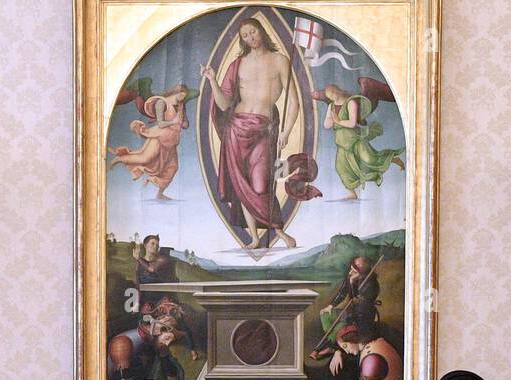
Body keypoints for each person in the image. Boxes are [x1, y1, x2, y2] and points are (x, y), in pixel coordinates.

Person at [202, 18, 300, 249]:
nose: (250, 38)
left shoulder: (280, 61)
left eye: (253, 32)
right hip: (236, 129)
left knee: (260, 185)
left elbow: (294, 102)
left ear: (262, 31)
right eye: (245, 35)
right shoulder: (238, 64)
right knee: (241, 185)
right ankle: (256, 237)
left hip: (263, 131)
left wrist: (286, 131)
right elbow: (225, 104)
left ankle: (279, 232)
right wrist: (213, 81)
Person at [315, 82, 405, 200]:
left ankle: (394, 159)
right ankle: (353, 193)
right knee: (340, 167)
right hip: (342, 142)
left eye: (332, 94)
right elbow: (326, 124)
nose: (332, 97)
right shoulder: (331, 106)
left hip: (355, 139)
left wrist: (338, 121)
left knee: (369, 159)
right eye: (329, 97)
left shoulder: (351, 102)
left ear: (337, 90)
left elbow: (352, 123)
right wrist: (330, 120)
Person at [108, 86, 194, 201]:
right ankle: (119, 159)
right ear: (177, 92)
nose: (182, 98)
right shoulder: (161, 103)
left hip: (171, 141)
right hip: (160, 136)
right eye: (182, 95)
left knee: (172, 168)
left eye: (184, 97)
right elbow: (160, 124)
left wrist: (183, 117)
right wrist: (174, 121)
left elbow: (185, 125)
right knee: (145, 158)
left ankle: (160, 193)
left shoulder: (181, 106)